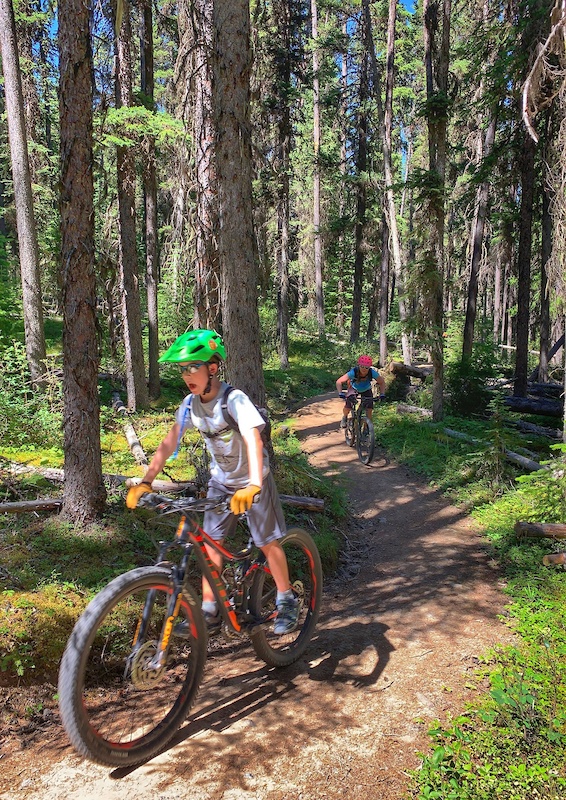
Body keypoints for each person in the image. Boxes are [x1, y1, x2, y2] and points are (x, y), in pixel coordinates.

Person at [125, 328, 298, 635]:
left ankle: (287, 599)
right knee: (211, 545)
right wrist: (146, 481)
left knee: (267, 542)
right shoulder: (190, 404)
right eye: (183, 370)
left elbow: (253, 439)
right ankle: (209, 611)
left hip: (254, 480)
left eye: (194, 367)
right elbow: (168, 442)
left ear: (213, 368)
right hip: (222, 482)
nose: (187, 375)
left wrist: (255, 484)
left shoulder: (234, 400)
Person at [335, 355, 386, 428]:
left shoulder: (372, 372)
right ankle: (345, 417)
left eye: (366, 367)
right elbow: (339, 381)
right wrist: (340, 393)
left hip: (366, 389)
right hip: (354, 389)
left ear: (370, 367)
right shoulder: (353, 372)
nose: (364, 369)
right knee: (348, 406)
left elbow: (382, 382)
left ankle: (367, 428)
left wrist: (382, 394)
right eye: (362, 366)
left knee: (369, 410)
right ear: (359, 365)